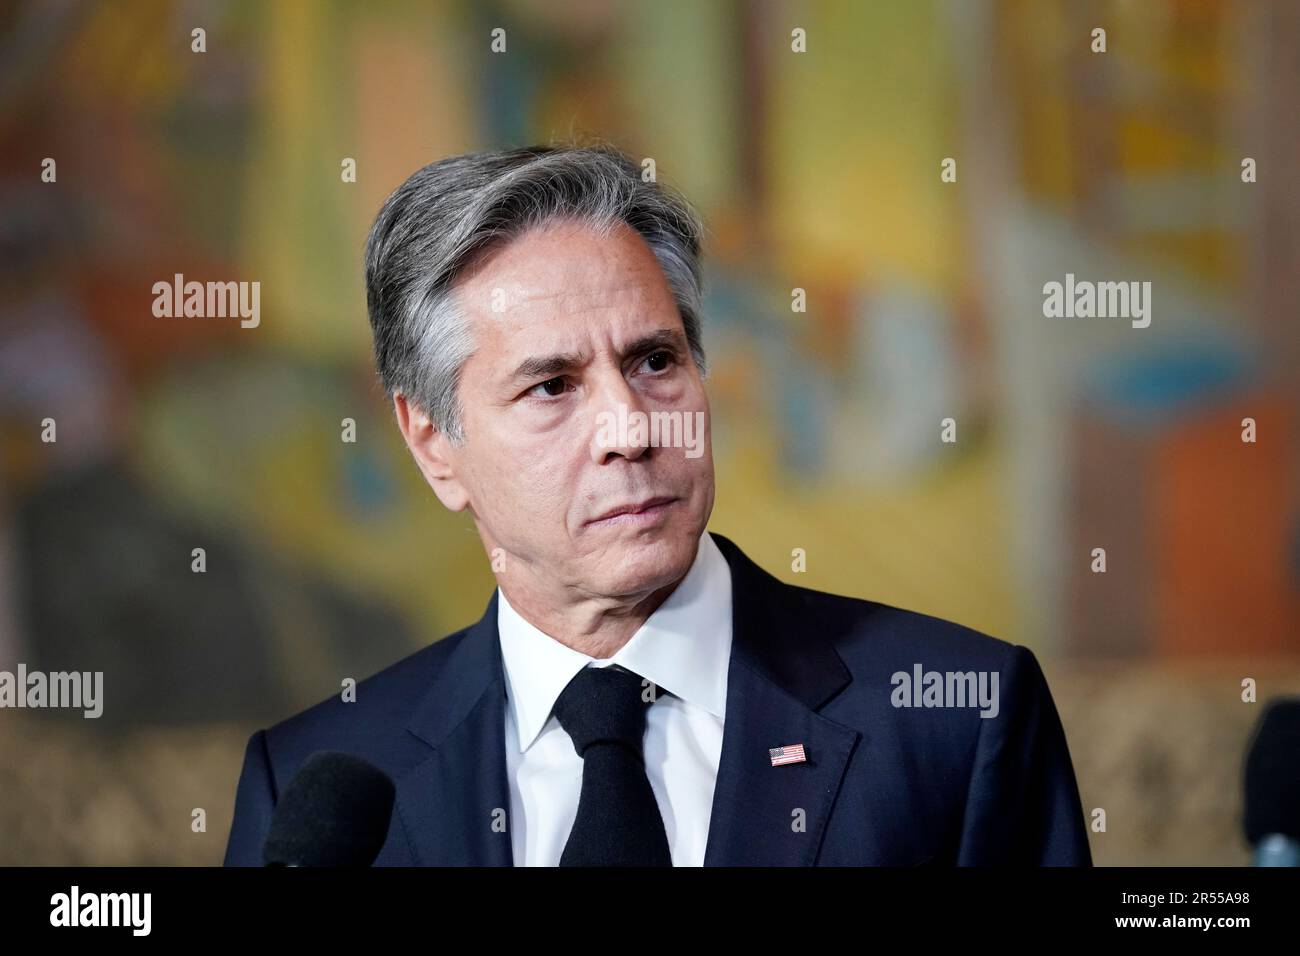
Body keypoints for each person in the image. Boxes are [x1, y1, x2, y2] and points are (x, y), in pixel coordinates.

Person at [223, 143, 1091, 866]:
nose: (630, 429)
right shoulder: (313, 786)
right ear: (433, 447)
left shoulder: (956, 720)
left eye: (654, 362)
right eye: (553, 386)